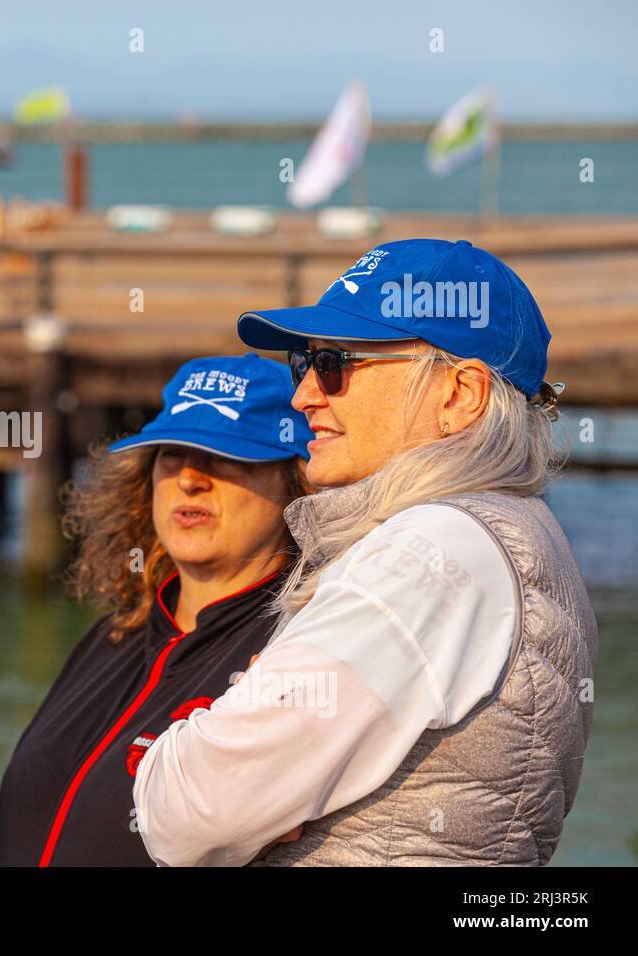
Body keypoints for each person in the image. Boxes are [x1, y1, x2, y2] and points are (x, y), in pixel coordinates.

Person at [132, 238, 598, 866]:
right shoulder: (518, 534)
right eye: (303, 365)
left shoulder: (432, 550)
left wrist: (178, 747)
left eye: (332, 363)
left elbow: (190, 812)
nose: (303, 398)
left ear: (460, 395)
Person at [0, 354, 315, 866]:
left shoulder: (293, 654)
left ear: (296, 482)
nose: (189, 478)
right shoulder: (113, 635)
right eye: (171, 455)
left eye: (226, 455)